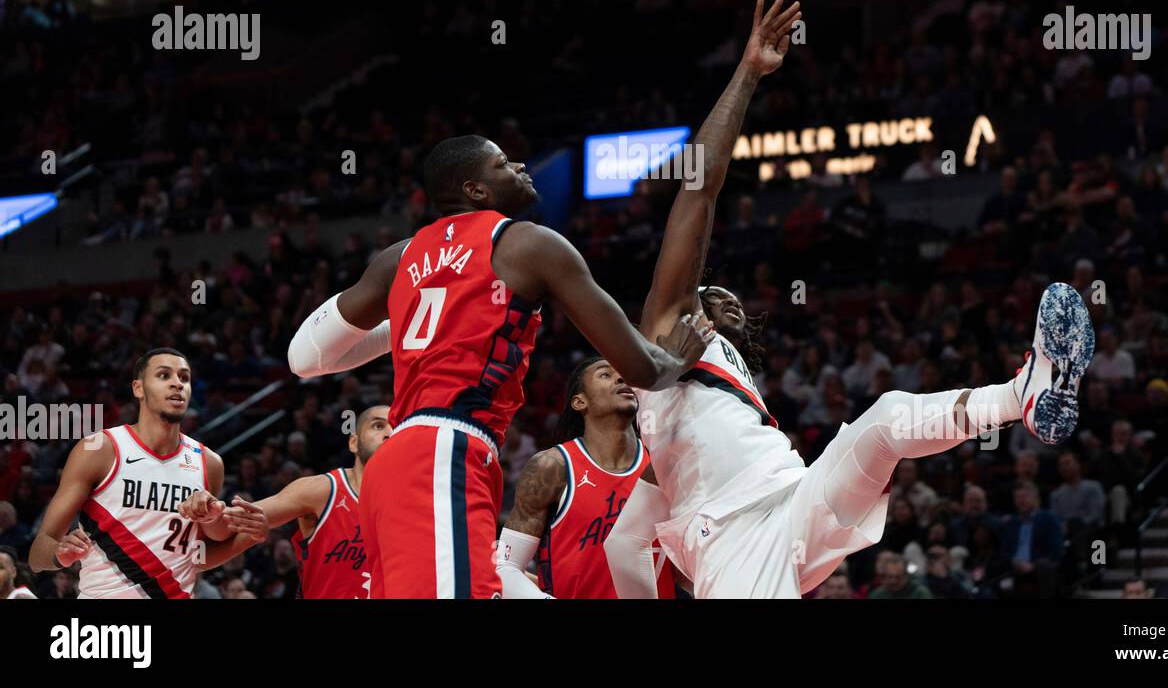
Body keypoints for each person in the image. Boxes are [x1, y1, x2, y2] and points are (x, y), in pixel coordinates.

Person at [606, 0, 1096, 598]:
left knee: (888, 416)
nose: (727, 299)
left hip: (797, 496)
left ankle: (1024, 393)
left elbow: (625, 537)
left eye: (730, 296)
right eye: (712, 292)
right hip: (731, 540)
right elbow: (698, 190)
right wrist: (748, 74)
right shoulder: (669, 328)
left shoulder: (713, 393)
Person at [287, 135, 712, 599]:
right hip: (445, 447)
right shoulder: (529, 244)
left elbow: (304, 358)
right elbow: (643, 368)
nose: (521, 165)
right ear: (475, 190)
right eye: (503, 163)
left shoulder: (400, 256)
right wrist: (680, 356)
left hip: (396, 462)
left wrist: (411, 326)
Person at [27, 348, 267, 598]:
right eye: (164, 376)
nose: (177, 383)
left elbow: (197, 556)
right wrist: (58, 554)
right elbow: (37, 553)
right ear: (138, 388)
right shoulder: (100, 449)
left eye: (184, 378)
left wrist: (248, 536)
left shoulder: (209, 463)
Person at [494, 359, 675, 598]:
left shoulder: (662, 464)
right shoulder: (553, 467)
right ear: (580, 402)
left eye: (624, 373)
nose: (622, 378)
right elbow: (505, 567)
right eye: (605, 375)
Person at [184, 405, 391, 598]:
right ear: (353, 442)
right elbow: (229, 527)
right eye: (378, 425)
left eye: (396, 427)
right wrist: (209, 512)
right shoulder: (323, 490)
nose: (389, 433)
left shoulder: (417, 502)